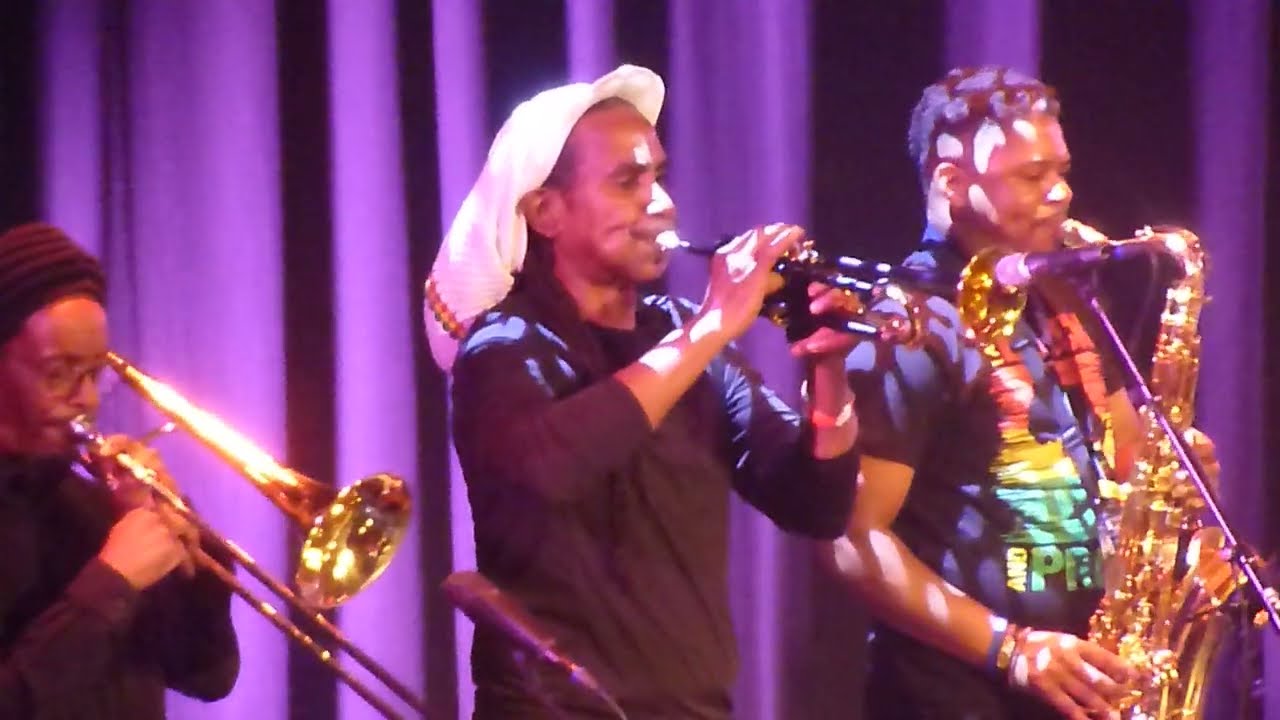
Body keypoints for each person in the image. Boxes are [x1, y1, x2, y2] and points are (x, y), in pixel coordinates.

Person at [424, 64, 860, 718]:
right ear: (545, 211)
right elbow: (550, 466)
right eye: (628, 182)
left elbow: (817, 506)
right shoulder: (503, 345)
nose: (661, 204)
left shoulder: (683, 337)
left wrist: (827, 369)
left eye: (658, 176)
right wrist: (713, 324)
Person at [821, 66, 1217, 720]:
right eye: (1033, 176)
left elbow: (1125, 455)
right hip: (957, 700)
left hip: (1083, 681)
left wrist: (1169, 473)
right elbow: (850, 540)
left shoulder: (1063, 298)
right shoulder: (908, 325)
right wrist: (1010, 648)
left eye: (1062, 170)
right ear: (952, 182)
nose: (1061, 193)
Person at [0, 222, 240, 717]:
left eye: (94, 374)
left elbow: (207, 674)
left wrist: (184, 556)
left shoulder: (91, 508)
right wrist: (111, 584)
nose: (87, 399)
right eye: (58, 373)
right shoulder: (112, 557)